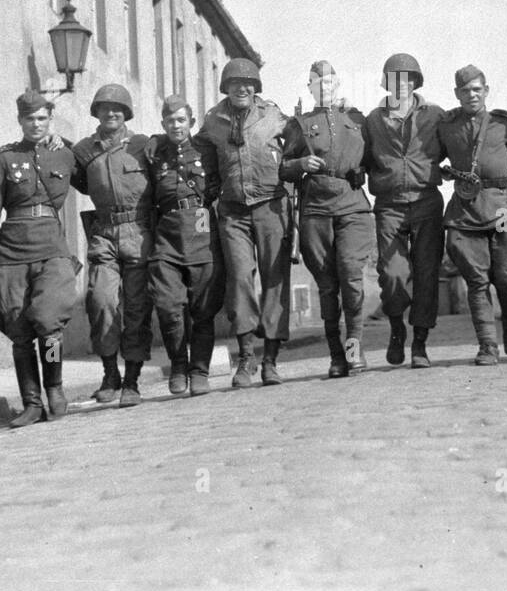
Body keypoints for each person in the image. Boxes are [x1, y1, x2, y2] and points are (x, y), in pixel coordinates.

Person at [0, 91, 79, 427]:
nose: (36, 125)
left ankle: (54, 389)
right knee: (19, 326)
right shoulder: (6, 159)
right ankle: (32, 403)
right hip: (12, 250)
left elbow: (93, 167)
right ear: (20, 121)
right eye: (29, 119)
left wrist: (62, 138)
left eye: (42, 119)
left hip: (51, 246)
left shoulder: (64, 155)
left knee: (49, 323)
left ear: (49, 120)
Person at [197, 58, 293, 387]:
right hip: (233, 209)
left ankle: (270, 359)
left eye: (249, 83)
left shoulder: (274, 115)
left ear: (257, 88)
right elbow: (198, 154)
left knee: (274, 278)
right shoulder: (214, 120)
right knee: (238, 277)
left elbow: (302, 144)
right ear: (225, 87)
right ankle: (246, 356)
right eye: (235, 83)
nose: (242, 88)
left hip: (271, 206)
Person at [281, 61, 375, 378]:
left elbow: (377, 157)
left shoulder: (358, 119)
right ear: (310, 88)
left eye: (331, 82)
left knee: (350, 273)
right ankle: (336, 356)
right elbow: (282, 167)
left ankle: (354, 348)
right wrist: (299, 164)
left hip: (351, 203)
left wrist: (364, 171)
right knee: (326, 285)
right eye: (318, 83)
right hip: (316, 208)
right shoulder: (298, 124)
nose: (326, 87)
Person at [70, 84, 153, 407]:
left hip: (139, 231)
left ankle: (131, 379)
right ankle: (109, 373)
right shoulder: (83, 151)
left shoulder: (143, 146)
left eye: (117, 108)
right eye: (104, 108)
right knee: (101, 300)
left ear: (126, 113)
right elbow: (72, 175)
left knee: (135, 308)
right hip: (104, 230)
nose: (111, 113)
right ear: (96, 113)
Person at [362, 53, 446, 368]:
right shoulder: (373, 119)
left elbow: (455, 147)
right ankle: (397, 328)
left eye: (407, 78)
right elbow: (360, 156)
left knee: (426, 274)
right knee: (393, 273)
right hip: (389, 204)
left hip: (426, 201)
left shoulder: (435, 115)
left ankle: (420, 344)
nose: (401, 84)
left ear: (415, 82)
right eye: (394, 78)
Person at [438, 65, 507, 365]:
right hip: (466, 212)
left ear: (486, 91)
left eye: (477, 89)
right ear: (457, 94)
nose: (471, 95)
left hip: (501, 209)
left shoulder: (504, 124)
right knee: (476, 280)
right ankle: (488, 345)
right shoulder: (446, 126)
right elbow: (428, 159)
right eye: (465, 90)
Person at [146, 95, 224, 396]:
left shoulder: (207, 149)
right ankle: (178, 365)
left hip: (202, 229)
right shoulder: (154, 152)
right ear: (163, 123)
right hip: (167, 235)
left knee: (203, 308)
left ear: (191, 123)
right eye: (169, 120)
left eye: (181, 120)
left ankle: (199, 370)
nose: (175, 125)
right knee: (168, 306)